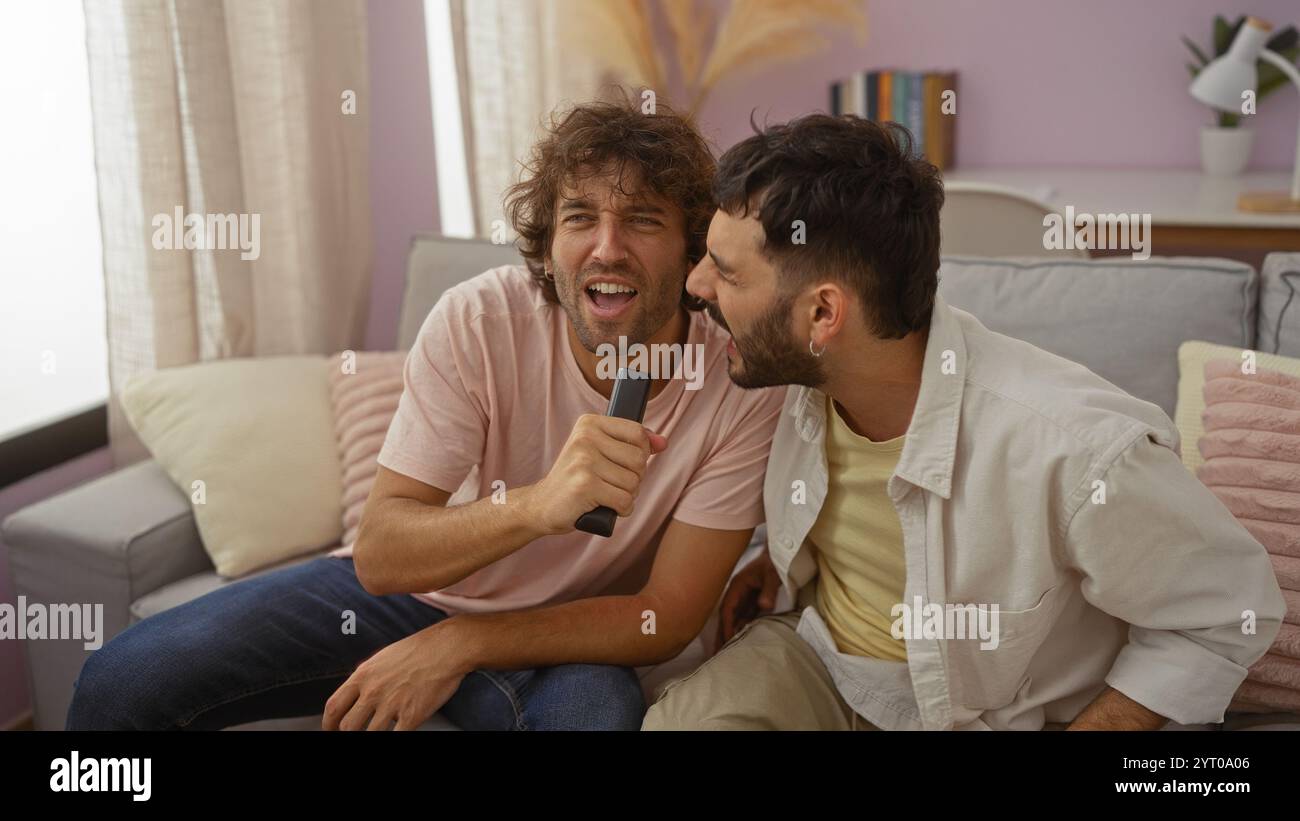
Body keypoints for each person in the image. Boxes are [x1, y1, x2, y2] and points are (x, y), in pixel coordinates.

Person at [67, 97, 782, 731]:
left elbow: (665, 614)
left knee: (596, 716)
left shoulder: (738, 380)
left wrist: (460, 645)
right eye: (579, 217)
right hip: (417, 595)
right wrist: (538, 507)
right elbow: (382, 553)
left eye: (642, 220)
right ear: (550, 240)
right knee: (121, 680)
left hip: (560, 634)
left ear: (691, 248)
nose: (606, 246)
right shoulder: (482, 318)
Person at [643, 114, 1284, 731]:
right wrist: (787, 559)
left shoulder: (1074, 450)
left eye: (725, 272)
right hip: (824, 660)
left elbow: (1228, 607)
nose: (696, 284)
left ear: (822, 316)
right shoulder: (797, 376)